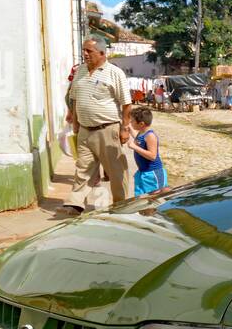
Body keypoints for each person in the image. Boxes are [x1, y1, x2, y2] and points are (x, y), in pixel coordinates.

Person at [60, 37, 132, 215]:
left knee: (115, 172)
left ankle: (120, 205)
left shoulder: (115, 73)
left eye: (88, 51)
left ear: (101, 52)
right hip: (85, 130)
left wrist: (124, 128)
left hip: (107, 130)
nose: (84, 54)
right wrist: (76, 124)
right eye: (83, 50)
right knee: (82, 168)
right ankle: (76, 204)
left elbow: (126, 104)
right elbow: (75, 99)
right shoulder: (81, 71)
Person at [126, 105, 166, 196]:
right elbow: (137, 137)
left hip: (152, 174)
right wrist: (129, 128)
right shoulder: (141, 132)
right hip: (143, 172)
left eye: (132, 121)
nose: (131, 122)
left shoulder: (150, 136)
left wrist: (134, 147)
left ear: (141, 124)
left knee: (154, 198)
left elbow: (152, 156)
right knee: (142, 199)